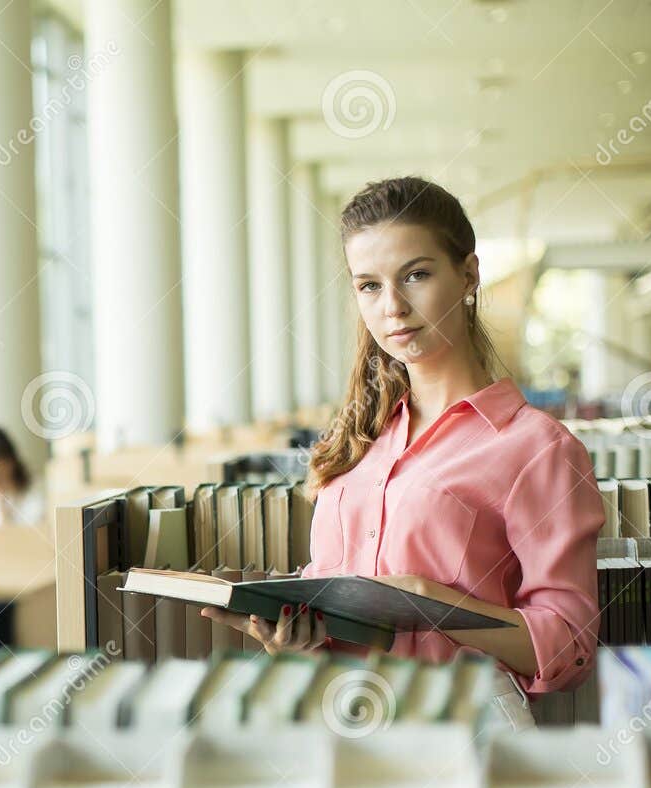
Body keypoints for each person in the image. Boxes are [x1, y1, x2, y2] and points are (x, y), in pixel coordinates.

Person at [201, 175, 603, 708]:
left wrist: (434, 604)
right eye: (368, 285)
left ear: (468, 274)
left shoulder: (537, 448)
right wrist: (292, 639)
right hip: (339, 714)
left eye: (415, 275)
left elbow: (569, 645)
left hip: (459, 722)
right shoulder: (359, 437)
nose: (392, 306)